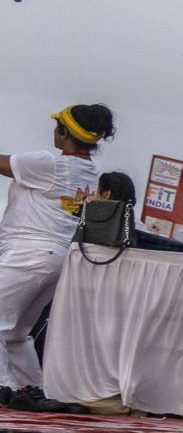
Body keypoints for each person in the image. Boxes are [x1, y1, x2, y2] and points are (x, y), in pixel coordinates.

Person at [0, 103, 115, 394]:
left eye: (57, 127)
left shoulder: (48, 164)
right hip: (55, 258)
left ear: (64, 133)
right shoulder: (89, 172)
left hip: (30, 253)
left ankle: (5, 389)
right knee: (14, 335)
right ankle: (34, 388)